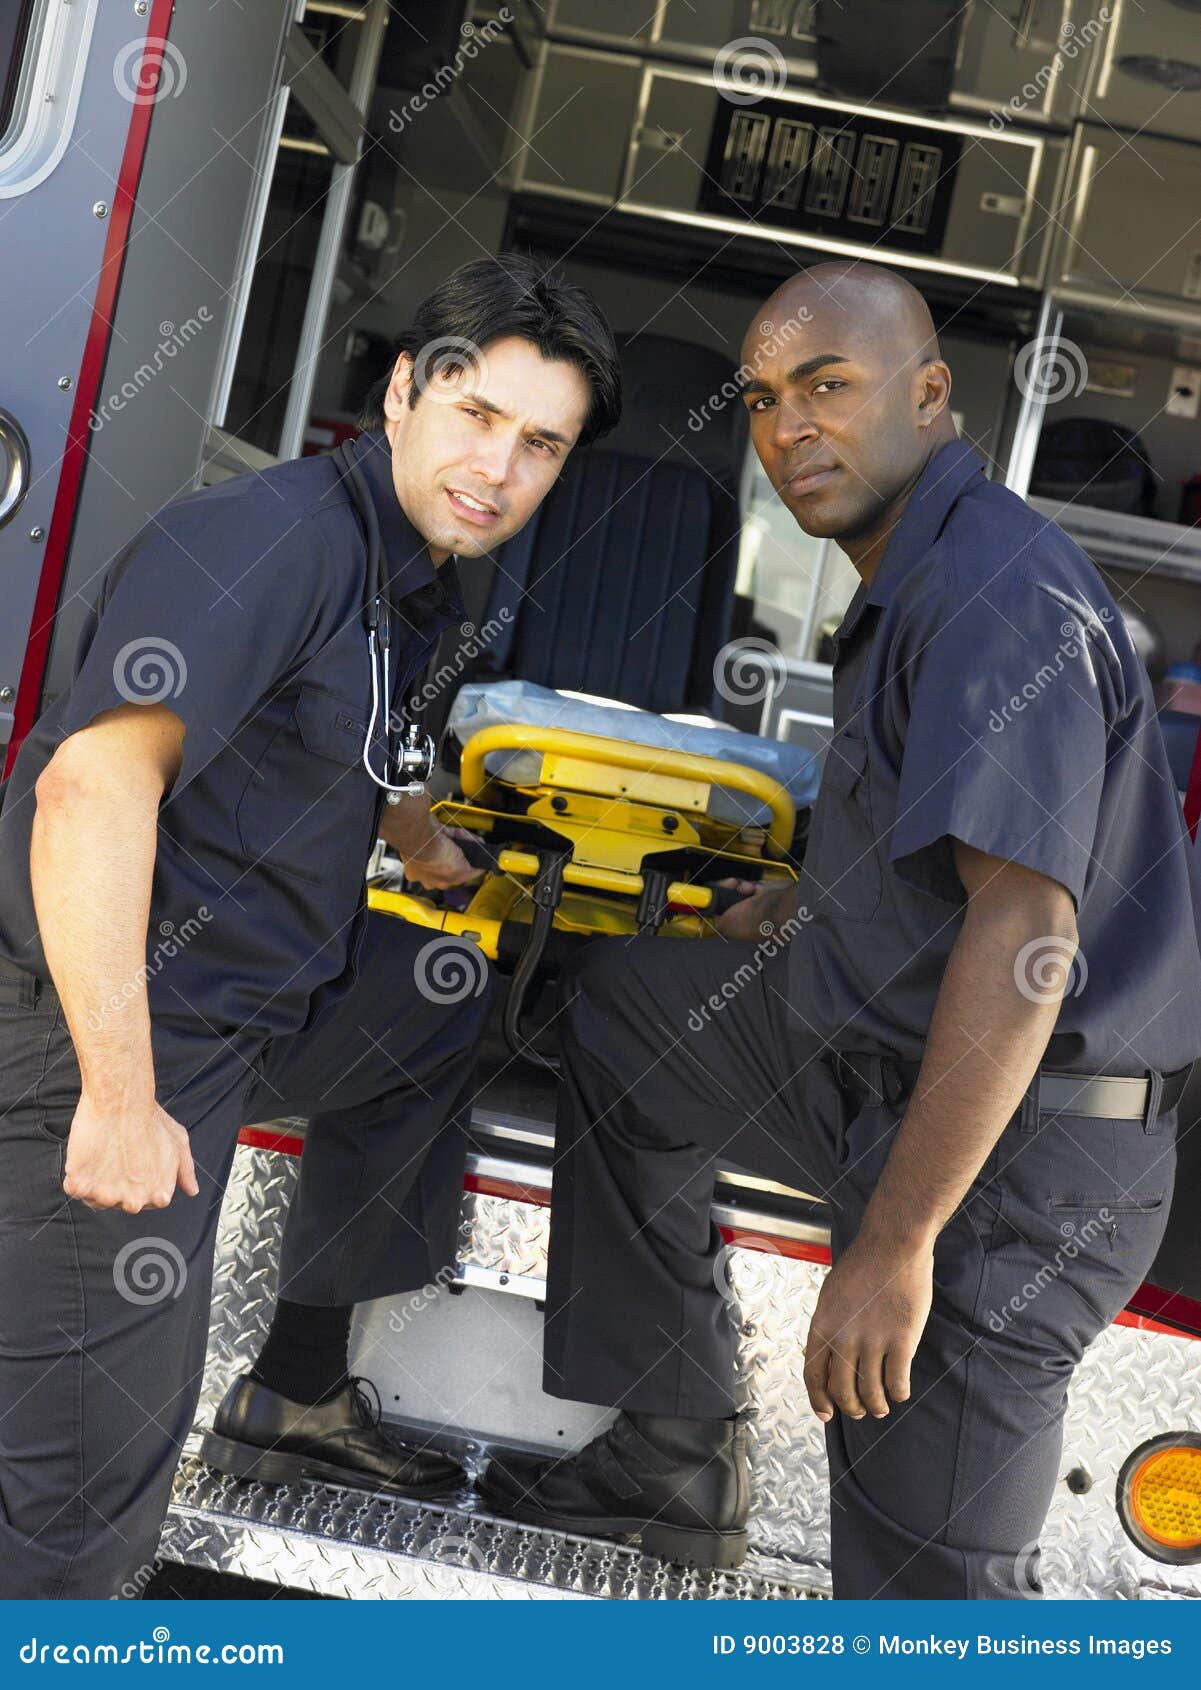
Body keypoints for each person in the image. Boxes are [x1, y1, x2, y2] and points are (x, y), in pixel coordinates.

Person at [478, 261, 1201, 1597]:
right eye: (760, 399)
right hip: (870, 1062)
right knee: (635, 1005)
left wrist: (890, 1247)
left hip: (1015, 1165)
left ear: (930, 396)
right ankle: (670, 1439)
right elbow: (955, 853)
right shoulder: (924, 567)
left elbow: (1024, 928)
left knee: (919, 1605)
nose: (785, 426)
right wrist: (818, 904)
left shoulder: (991, 599)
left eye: (827, 385)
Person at [0, 253, 621, 1598]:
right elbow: (89, 785)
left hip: (256, 1013)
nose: (497, 468)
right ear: (404, 390)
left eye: (540, 446)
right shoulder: (270, 545)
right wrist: (116, 1090)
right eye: (475, 415)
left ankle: (296, 1371)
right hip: (106, 1031)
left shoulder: (407, 576)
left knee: (448, 985)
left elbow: (364, 749)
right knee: (81, 1499)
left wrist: (429, 851)